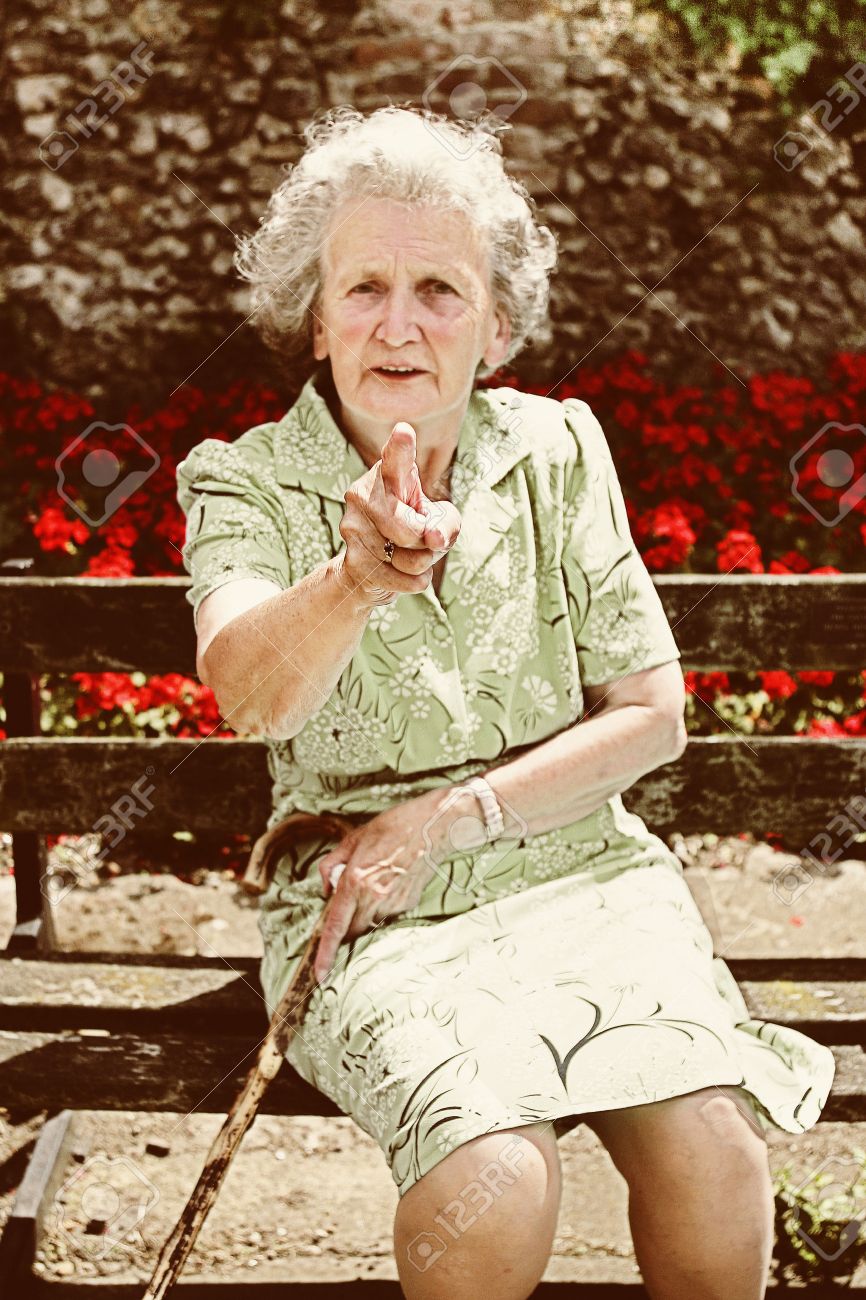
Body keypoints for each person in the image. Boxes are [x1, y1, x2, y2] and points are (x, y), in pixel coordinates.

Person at [175, 104, 835, 1300]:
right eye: (363, 286)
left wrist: (448, 819)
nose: (398, 323)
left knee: (713, 1150)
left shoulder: (556, 449)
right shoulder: (247, 482)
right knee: (494, 1170)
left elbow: (650, 712)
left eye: (439, 288)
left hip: (580, 875)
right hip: (370, 913)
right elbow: (247, 693)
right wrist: (352, 580)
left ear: (495, 325)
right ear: (314, 316)